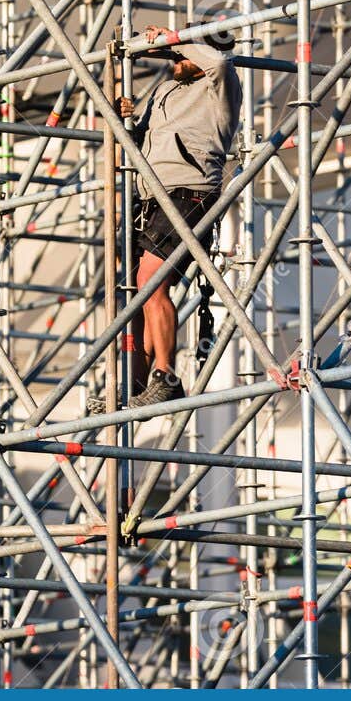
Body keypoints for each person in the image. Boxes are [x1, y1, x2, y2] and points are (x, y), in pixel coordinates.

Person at [105, 23, 241, 412]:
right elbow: (139, 144)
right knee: (131, 291)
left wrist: (177, 38)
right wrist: (124, 122)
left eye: (181, 56)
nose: (175, 61)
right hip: (149, 195)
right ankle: (134, 381)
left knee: (150, 281)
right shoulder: (167, 90)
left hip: (189, 194)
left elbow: (216, 61)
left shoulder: (220, 88)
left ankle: (166, 375)